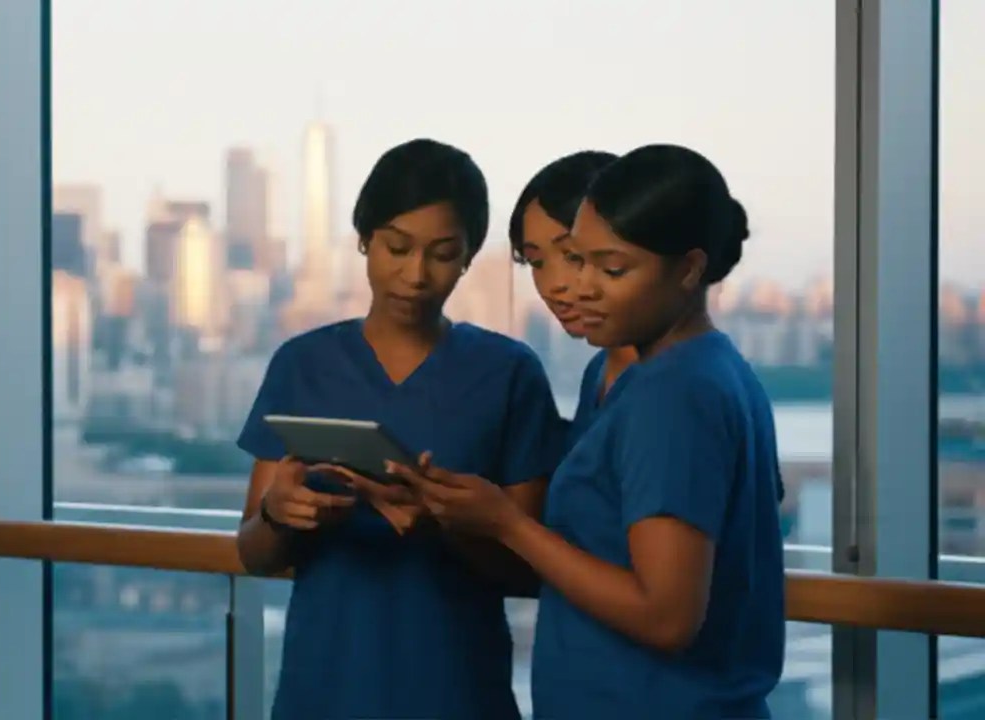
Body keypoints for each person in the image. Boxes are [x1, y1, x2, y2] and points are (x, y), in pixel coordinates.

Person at [393, 144, 786, 719]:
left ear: (685, 267)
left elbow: (667, 615)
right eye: (538, 263)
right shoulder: (642, 373)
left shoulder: (674, 392)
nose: (571, 287)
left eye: (603, 264)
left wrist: (506, 523)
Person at [235, 138, 566, 720]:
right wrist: (278, 513)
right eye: (396, 247)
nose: (415, 274)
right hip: (323, 688)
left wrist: (441, 527)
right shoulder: (302, 365)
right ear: (363, 239)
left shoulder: (508, 374)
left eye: (442, 253)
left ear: (467, 258)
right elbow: (253, 553)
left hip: (458, 691)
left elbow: (531, 569)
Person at [508, 151, 636, 447]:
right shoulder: (598, 372)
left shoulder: (675, 386)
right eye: (536, 262)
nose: (554, 286)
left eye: (572, 256)